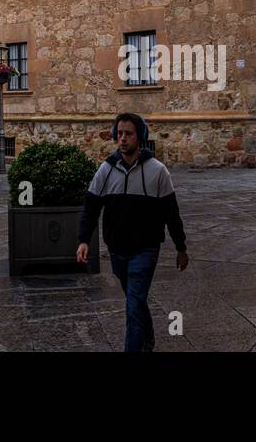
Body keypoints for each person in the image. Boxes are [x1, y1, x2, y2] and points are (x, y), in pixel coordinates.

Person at [76, 113, 187, 353]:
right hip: (117, 250)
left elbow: (171, 213)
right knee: (135, 302)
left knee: (133, 304)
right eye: (119, 133)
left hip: (146, 249)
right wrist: (84, 240)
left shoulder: (158, 172)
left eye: (129, 134)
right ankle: (147, 338)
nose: (122, 139)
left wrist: (181, 247)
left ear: (141, 137)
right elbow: (91, 207)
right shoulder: (106, 170)